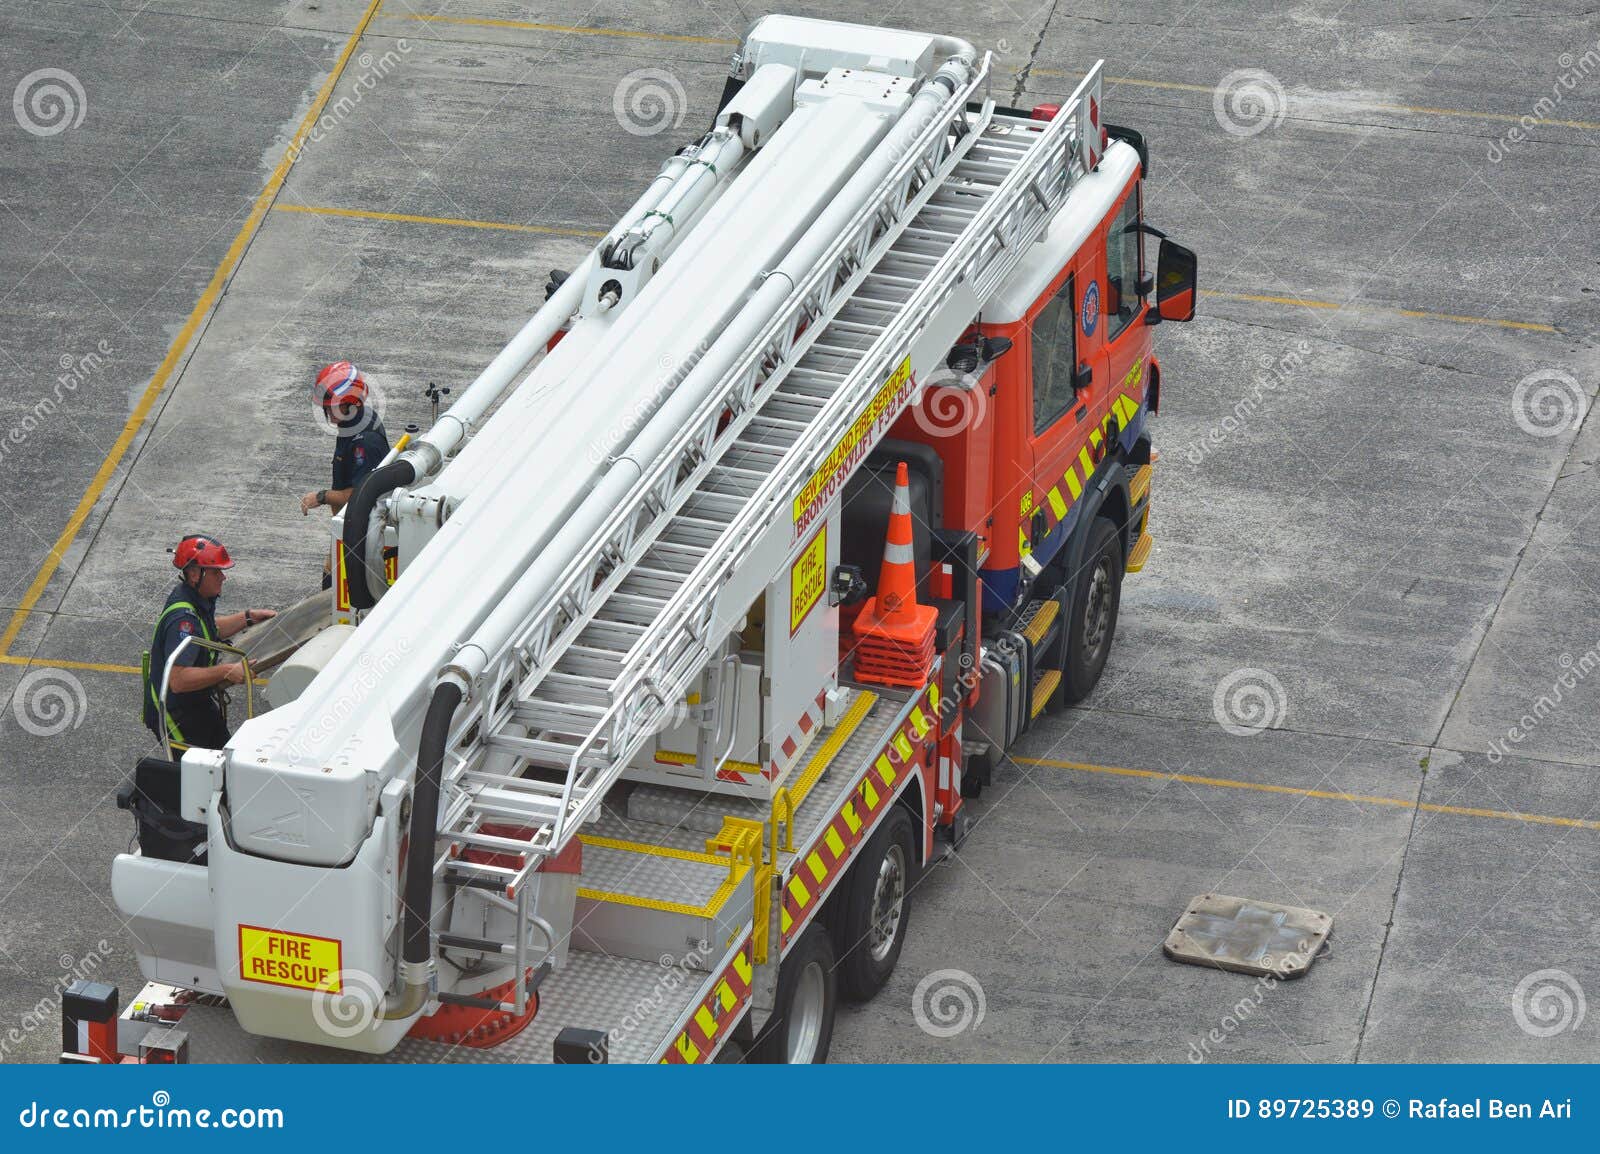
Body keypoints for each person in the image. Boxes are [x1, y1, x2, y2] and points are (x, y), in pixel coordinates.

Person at [142, 535, 275, 751]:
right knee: (199, 776)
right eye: (216, 572)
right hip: (176, 715)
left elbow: (207, 630)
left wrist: (248, 617)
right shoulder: (182, 620)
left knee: (227, 763)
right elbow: (178, 680)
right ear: (195, 573)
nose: (223, 577)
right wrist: (226, 671)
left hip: (196, 703)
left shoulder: (194, 598)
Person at [300, 362, 390, 588]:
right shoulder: (354, 422)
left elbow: (359, 494)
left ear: (348, 403)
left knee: (334, 590)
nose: (326, 412)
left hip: (358, 533)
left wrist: (321, 497)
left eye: (330, 407)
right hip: (346, 527)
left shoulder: (365, 442)